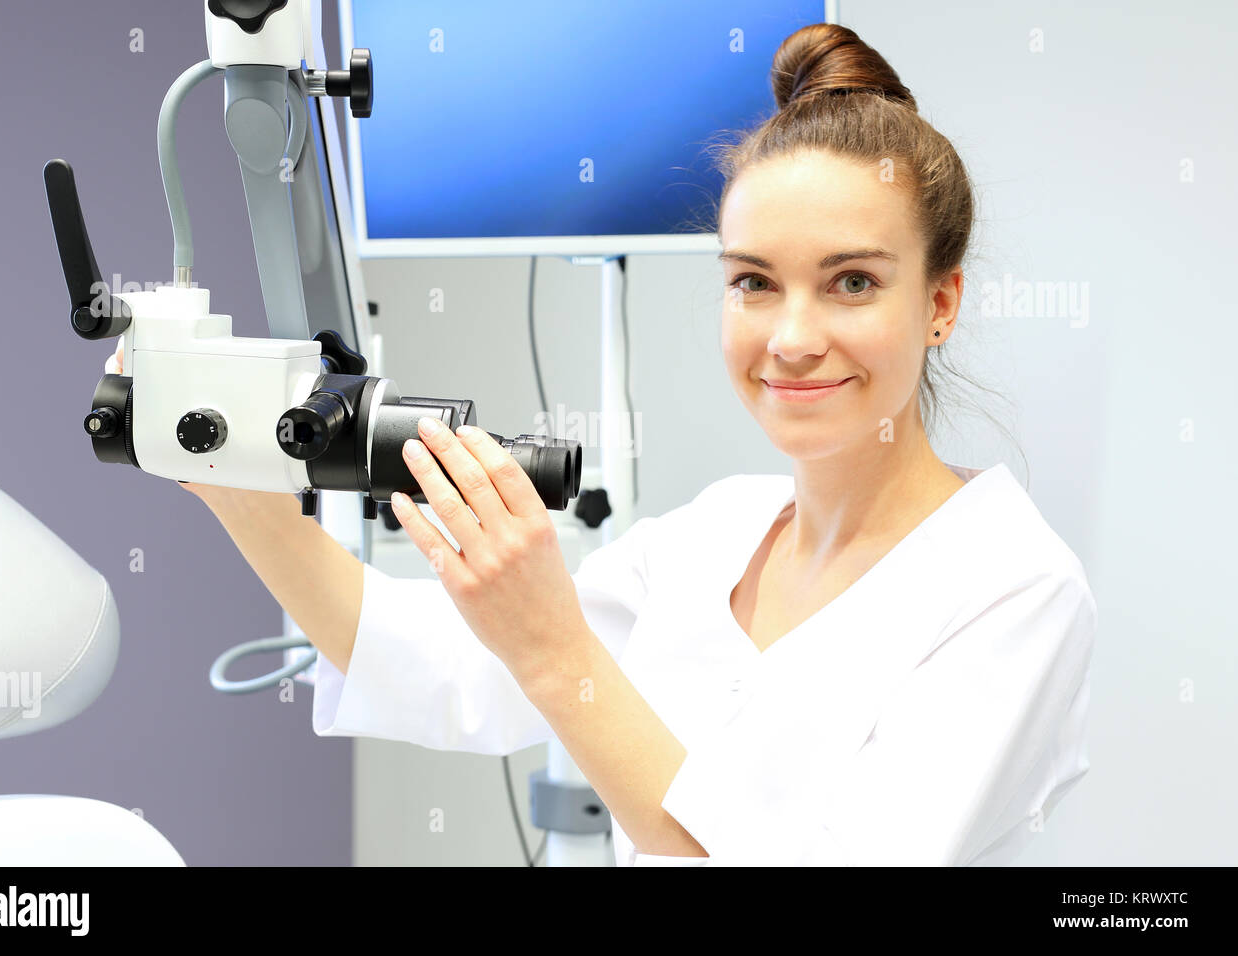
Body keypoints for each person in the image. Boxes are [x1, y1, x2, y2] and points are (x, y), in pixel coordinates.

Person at [116, 23, 1096, 866]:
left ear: (939, 302)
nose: (790, 335)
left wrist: (552, 645)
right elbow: (443, 668)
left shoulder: (1011, 586)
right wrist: (221, 467)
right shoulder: (712, 535)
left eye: (849, 281)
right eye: (753, 280)